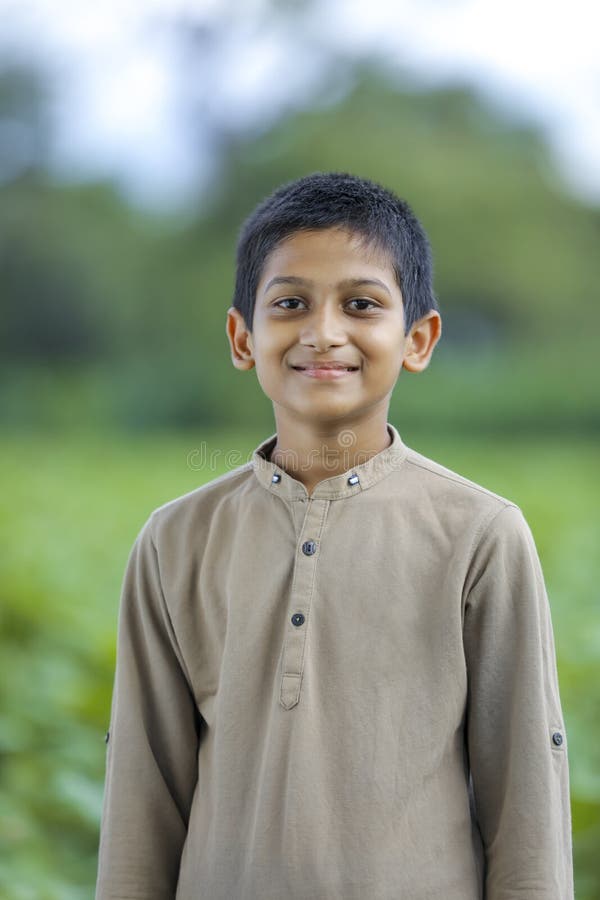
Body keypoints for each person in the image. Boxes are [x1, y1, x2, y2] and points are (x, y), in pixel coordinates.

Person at [95, 172, 573, 899]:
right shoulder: (175, 541)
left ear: (417, 339)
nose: (324, 332)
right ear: (241, 336)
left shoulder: (480, 537)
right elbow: (142, 793)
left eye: (361, 304)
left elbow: (526, 797)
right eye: (290, 303)